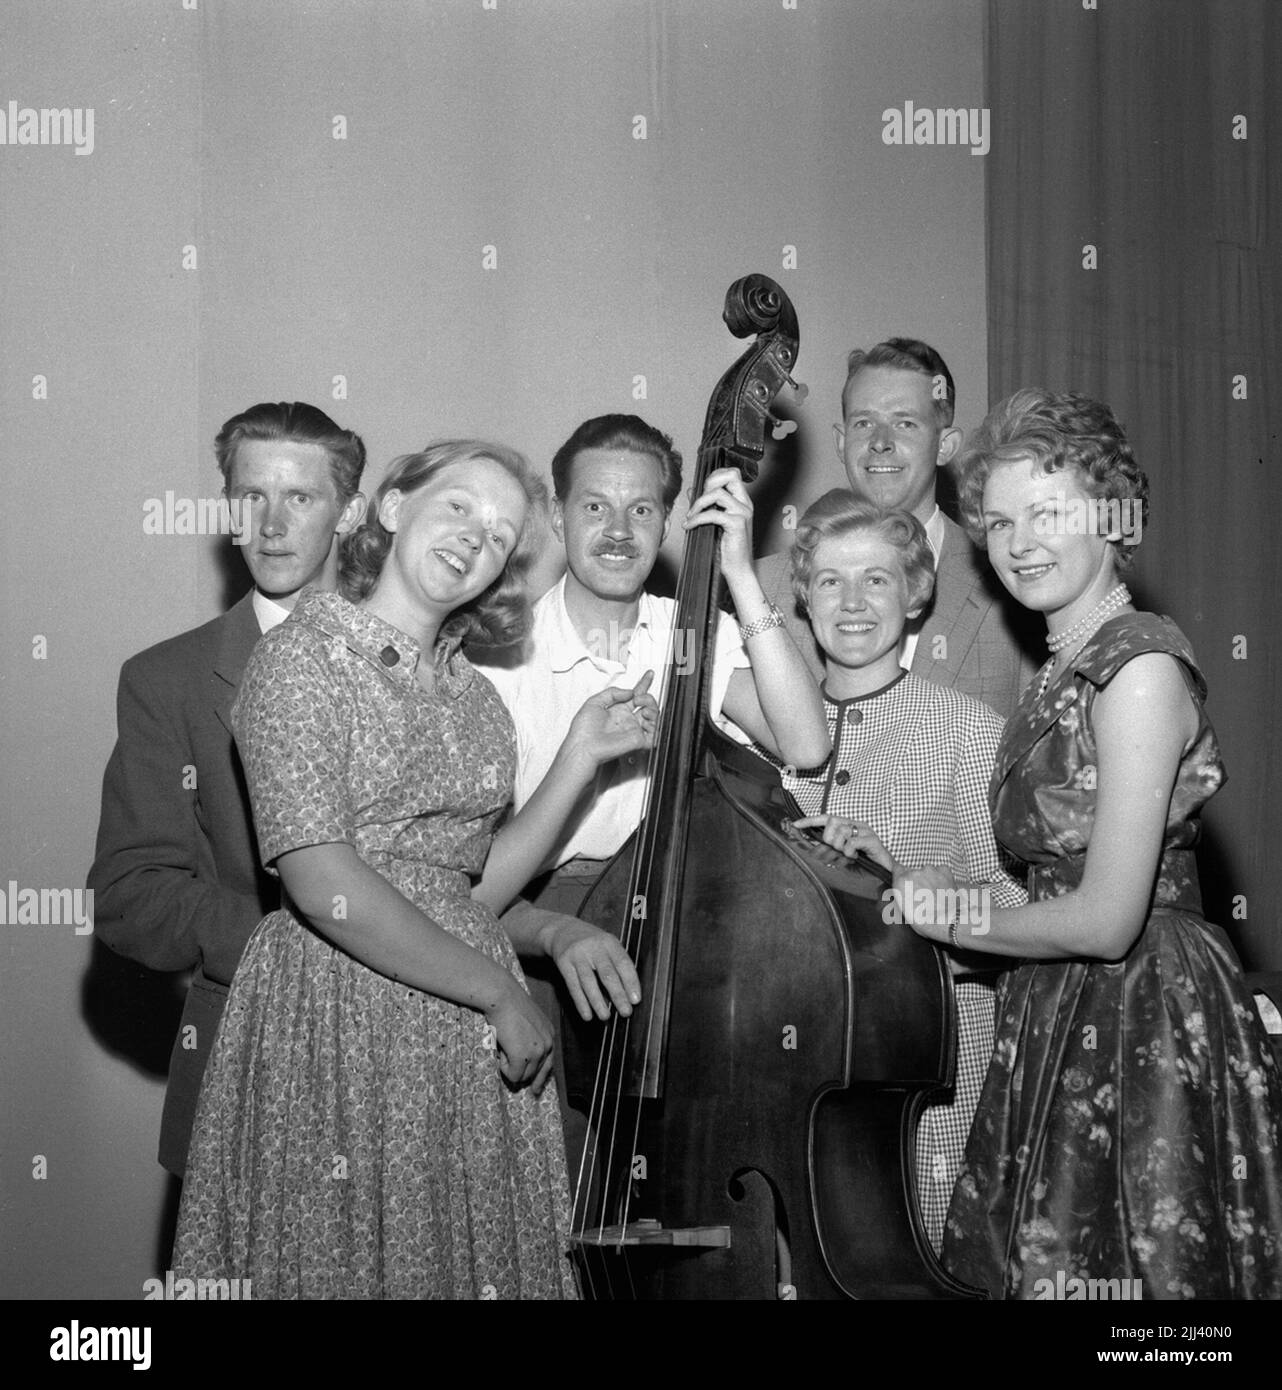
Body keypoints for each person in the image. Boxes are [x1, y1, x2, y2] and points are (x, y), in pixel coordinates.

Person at [172, 441, 659, 1299]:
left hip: (458, 1047)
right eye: (461, 505)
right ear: (392, 507)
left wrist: (578, 759)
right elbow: (321, 882)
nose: (480, 535)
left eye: (504, 533)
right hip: (338, 1017)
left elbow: (471, 892)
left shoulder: (473, 698)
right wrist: (499, 991)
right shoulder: (302, 658)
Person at [895, 388, 1282, 1299]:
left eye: (1048, 512)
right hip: (1057, 1007)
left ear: (1113, 517)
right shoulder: (1060, 668)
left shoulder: (1138, 666)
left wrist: (950, 920)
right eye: (997, 521)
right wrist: (929, 880)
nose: (1018, 540)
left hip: (1139, 1007)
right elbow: (1053, 881)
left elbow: (1109, 920)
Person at [473, 414, 831, 1182]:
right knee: (556, 1185)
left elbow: (806, 744)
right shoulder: (499, 662)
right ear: (557, 513)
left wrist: (737, 571)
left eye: (642, 510)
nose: (617, 530)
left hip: (684, 936)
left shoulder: (691, 627)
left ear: (669, 521)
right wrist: (557, 934)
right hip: (536, 934)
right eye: (594, 506)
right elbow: (469, 888)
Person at [88, 401, 367, 1178]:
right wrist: (304, 941)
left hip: (411, 1064)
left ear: (349, 512)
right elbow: (129, 894)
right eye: (251, 497)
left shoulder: (413, 661)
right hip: (247, 1062)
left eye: (301, 498)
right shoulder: (166, 680)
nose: (271, 524)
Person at [776, 491, 1026, 1253]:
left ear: (916, 593)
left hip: (933, 1070)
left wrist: (906, 876)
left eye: (876, 580)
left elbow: (1017, 910)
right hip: (789, 1063)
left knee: (914, 1261)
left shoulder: (970, 732)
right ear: (803, 597)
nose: (852, 602)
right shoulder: (762, 729)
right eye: (829, 581)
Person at [757, 338, 1039, 719]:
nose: (880, 443)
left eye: (905, 423)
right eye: (864, 423)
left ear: (945, 445)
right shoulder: (763, 588)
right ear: (842, 443)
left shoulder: (1012, 587)